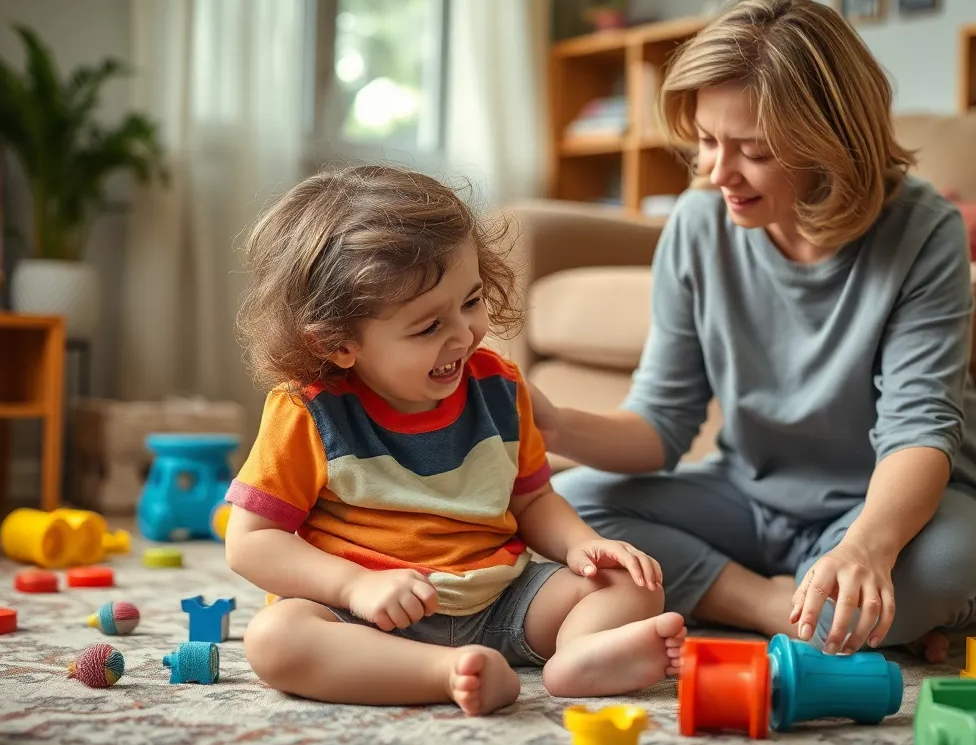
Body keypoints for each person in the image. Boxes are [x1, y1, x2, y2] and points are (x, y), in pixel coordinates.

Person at [536, 0, 976, 663]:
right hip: (750, 497)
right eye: (707, 140)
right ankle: (773, 606)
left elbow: (919, 430)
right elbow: (661, 423)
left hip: (906, 508)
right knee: (562, 510)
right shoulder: (698, 224)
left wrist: (865, 550)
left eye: (753, 151)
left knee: (926, 575)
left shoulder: (922, 228)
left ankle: (832, 601)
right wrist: (556, 425)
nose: (715, 172)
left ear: (830, 145)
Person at [225, 165, 685, 716]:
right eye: (427, 327)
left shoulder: (498, 386)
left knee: (632, 583)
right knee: (276, 640)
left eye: (470, 302)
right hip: (370, 616)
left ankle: (578, 657)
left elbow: (533, 498)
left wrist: (580, 545)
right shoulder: (307, 412)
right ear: (339, 342)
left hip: (500, 601)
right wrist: (352, 587)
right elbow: (252, 540)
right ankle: (443, 674)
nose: (464, 335)